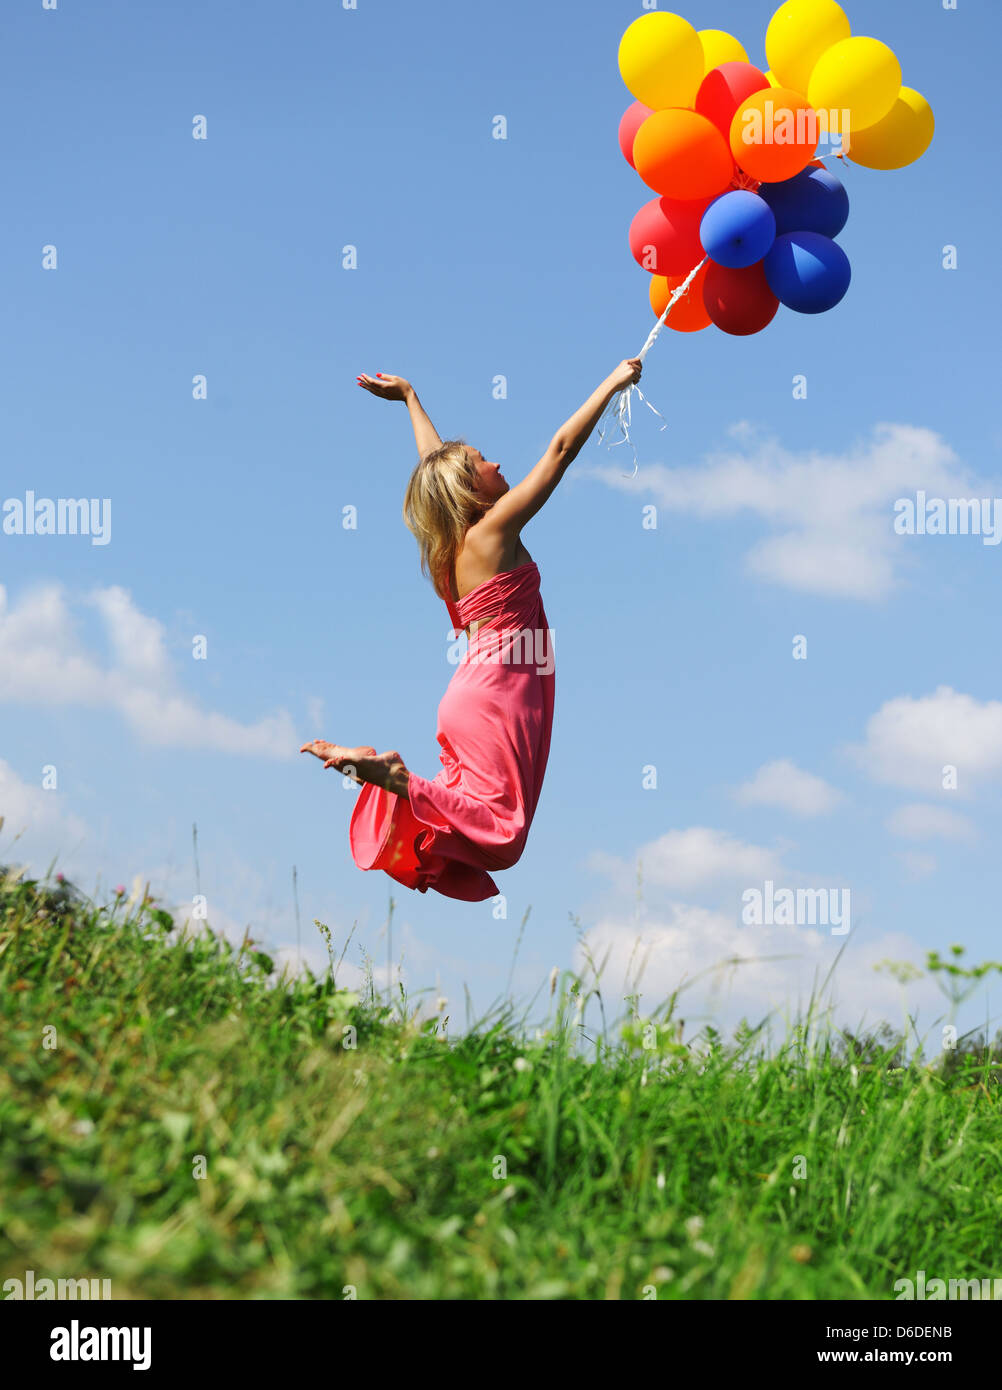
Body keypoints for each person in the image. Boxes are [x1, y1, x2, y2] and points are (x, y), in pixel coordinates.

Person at [301, 357, 642, 901]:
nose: (498, 462)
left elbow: (436, 468)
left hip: (472, 696)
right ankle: (396, 779)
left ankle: (401, 780)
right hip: (497, 696)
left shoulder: (453, 553)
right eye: (484, 461)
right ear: (469, 487)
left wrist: (412, 398)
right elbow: (559, 451)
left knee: (496, 835)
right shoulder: (496, 530)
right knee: (502, 834)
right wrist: (613, 381)